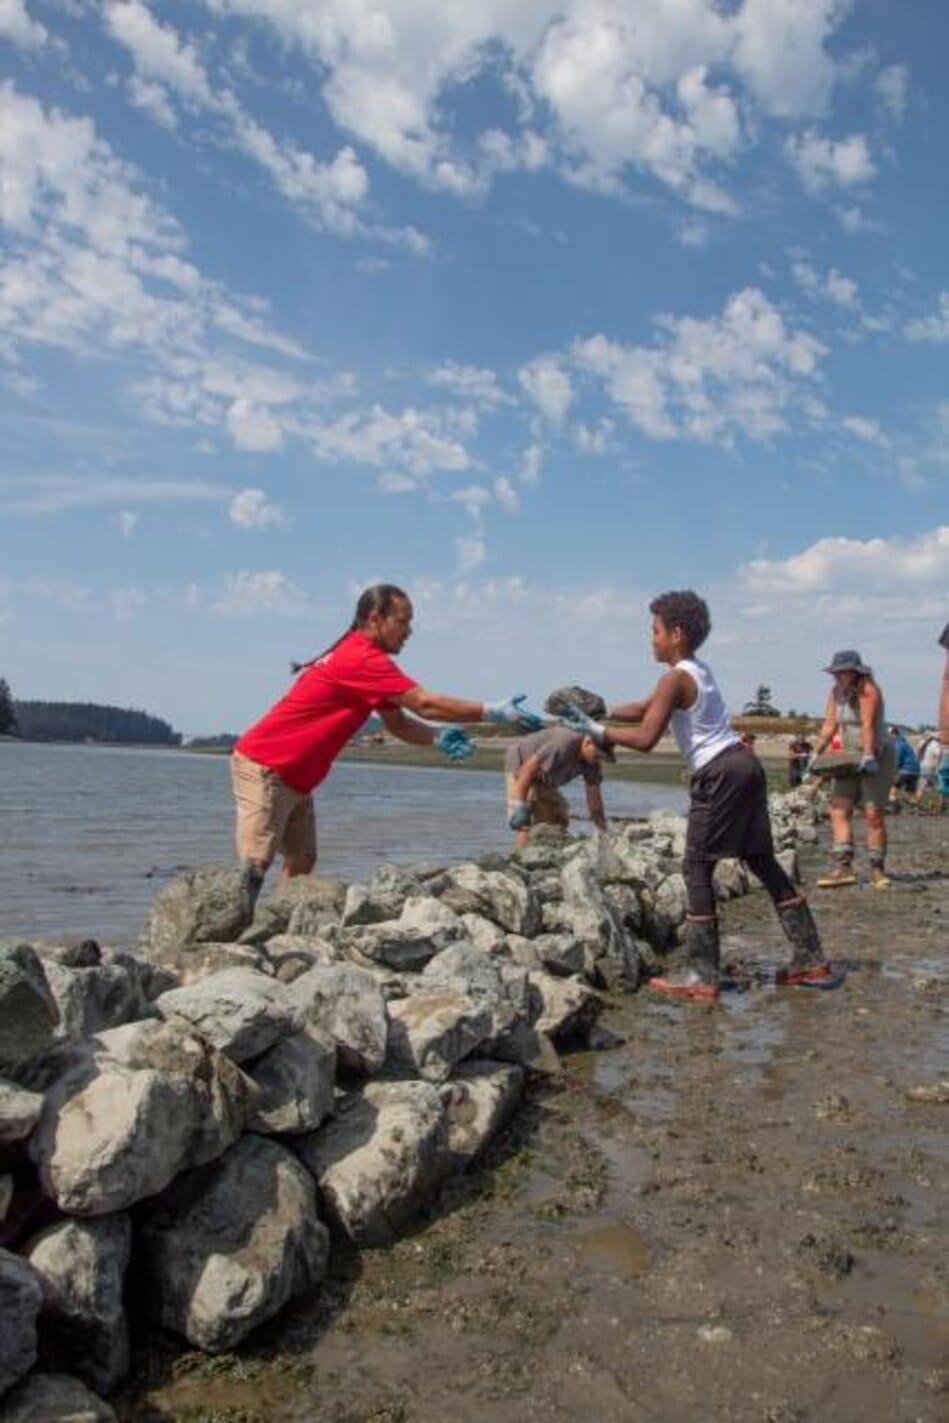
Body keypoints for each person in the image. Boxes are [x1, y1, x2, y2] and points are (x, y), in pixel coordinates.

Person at [559, 590, 831, 1000]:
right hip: (745, 765)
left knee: (696, 868)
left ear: (677, 633)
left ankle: (702, 975)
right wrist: (600, 710)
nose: (650, 639)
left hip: (718, 773)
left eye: (655, 631)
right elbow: (644, 708)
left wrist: (596, 731)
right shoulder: (695, 671)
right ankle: (811, 959)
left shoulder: (675, 678)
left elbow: (647, 737)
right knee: (760, 860)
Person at [232, 583, 543, 892]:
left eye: (410, 623)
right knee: (255, 864)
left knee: (302, 859)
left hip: (295, 777)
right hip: (266, 765)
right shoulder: (361, 658)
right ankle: (223, 936)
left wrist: (437, 738)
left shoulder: (364, 662)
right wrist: (492, 711)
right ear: (375, 619)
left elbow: (399, 725)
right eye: (402, 622)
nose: (408, 632)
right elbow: (424, 703)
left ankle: (275, 928)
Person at [806, 651, 895, 889]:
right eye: (835, 672)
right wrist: (816, 752)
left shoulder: (868, 690)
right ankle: (843, 867)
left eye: (841, 671)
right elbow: (829, 725)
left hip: (876, 755)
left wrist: (868, 754)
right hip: (848, 756)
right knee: (838, 808)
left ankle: (877, 869)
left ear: (855, 672)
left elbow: (867, 724)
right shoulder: (836, 693)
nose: (837, 675)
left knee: (872, 813)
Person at [505, 725, 612, 846]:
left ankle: (546, 852)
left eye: (602, 758)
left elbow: (595, 802)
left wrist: (603, 830)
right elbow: (527, 771)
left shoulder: (593, 764)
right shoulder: (563, 744)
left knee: (559, 817)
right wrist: (519, 806)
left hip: (545, 777)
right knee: (525, 820)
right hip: (521, 765)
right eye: (597, 756)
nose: (597, 761)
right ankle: (518, 858)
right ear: (587, 742)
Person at [888, 725, 920, 803]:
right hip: (915, 770)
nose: (888, 737)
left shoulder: (898, 744)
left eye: (889, 735)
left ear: (893, 734)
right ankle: (913, 805)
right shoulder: (906, 743)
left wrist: (892, 768)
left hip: (906, 769)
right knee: (910, 791)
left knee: (894, 786)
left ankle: (892, 803)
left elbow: (897, 759)